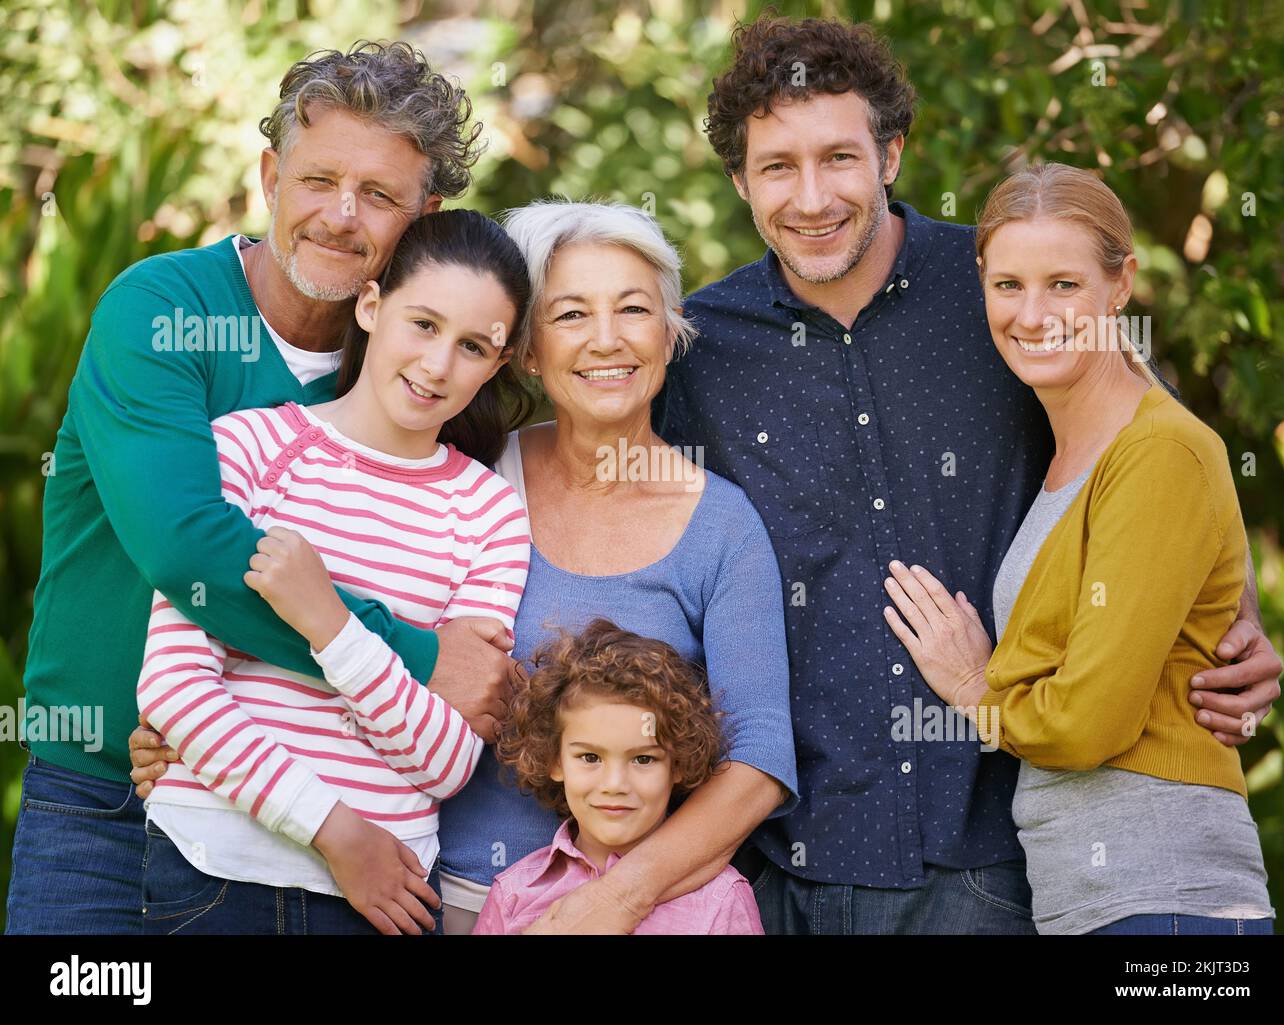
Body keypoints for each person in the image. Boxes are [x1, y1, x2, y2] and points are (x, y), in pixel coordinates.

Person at [652, 14, 1282, 934]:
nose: (813, 196)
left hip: (1003, 863)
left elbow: (1159, 449)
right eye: (778, 166)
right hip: (786, 864)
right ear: (740, 180)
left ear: (892, 153)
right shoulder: (701, 352)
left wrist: (1237, 624)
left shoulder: (1006, 289)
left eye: (840, 157)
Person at [134, 200, 801, 936]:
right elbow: (294, 631)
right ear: (528, 351)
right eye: (571, 314)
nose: (606, 339)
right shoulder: (480, 478)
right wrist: (190, 737)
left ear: (671, 333)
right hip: (433, 898)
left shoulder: (722, 525)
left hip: (634, 914)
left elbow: (759, 760)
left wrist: (616, 899)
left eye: (634, 309)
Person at [6, 41, 519, 935]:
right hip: (99, 797)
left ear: (426, 216)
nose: (340, 216)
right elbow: (187, 544)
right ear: (271, 174)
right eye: (318, 179)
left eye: (382, 196)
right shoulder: (160, 311)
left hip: (289, 828)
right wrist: (425, 656)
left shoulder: (406, 384)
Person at [881, 163, 1274, 935]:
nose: (1033, 314)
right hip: (1093, 904)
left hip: (1166, 898)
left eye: (1064, 284)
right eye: (1008, 285)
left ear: (1119, 284)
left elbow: (1087, 723)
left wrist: (972, 686)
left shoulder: (1158, 451)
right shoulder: (1067, 453)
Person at [135, 210, 532, 935]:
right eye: (423, 323)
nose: (439, 364)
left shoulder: (490, 513)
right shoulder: (250, 447)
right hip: (215, 866)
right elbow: (175, 686)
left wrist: (328, 620)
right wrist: (336, 833)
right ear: (373, 306)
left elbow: (445, 759)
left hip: (385, 903)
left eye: (473, 345)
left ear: (498, 364)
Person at [472, 619, 763, 934]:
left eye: (642, 759)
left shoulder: (720, 900)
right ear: (555, 760)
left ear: (678, 764)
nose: (615, 785)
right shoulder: (515, 894)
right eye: (590, 757)